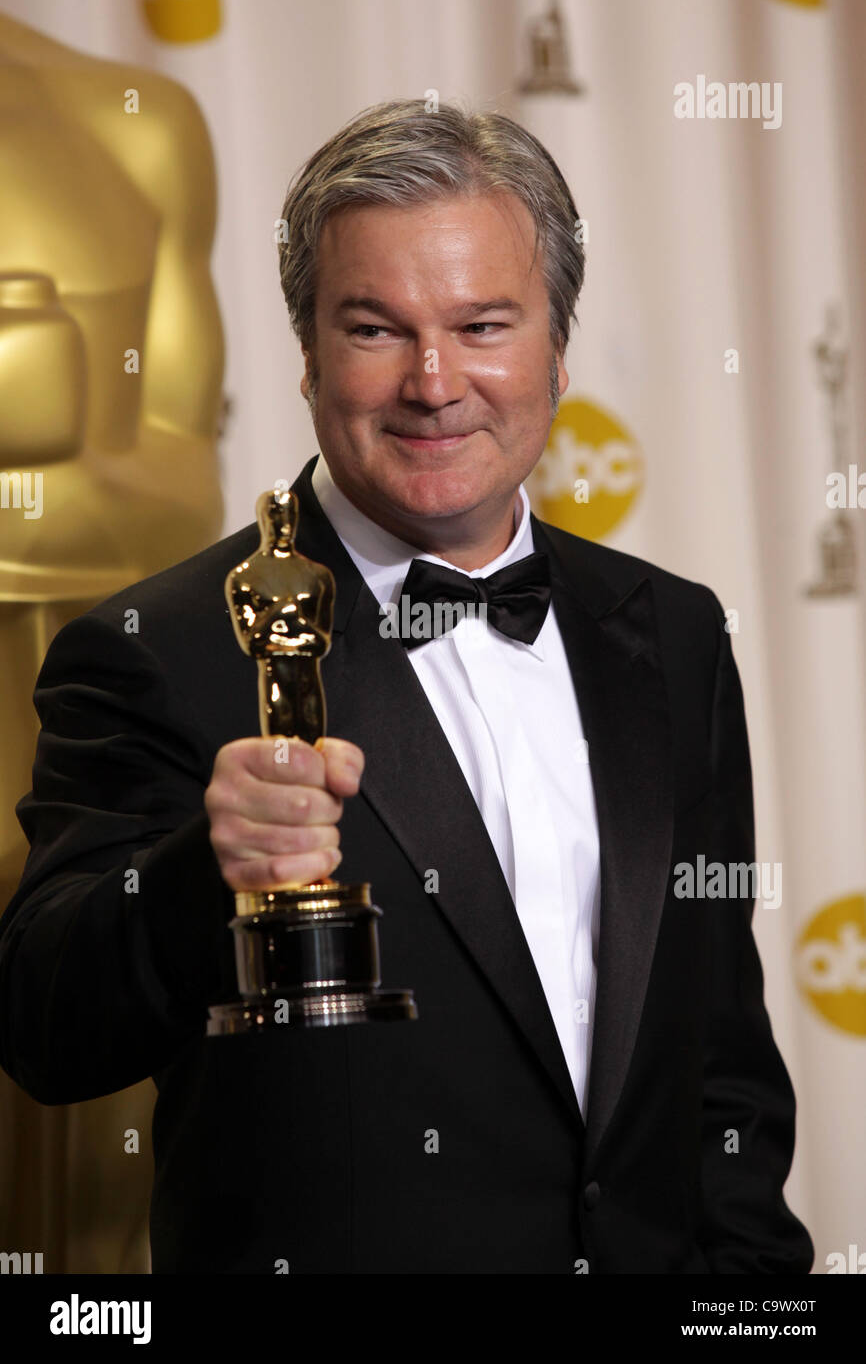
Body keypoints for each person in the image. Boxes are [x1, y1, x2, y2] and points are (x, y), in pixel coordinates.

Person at [0, 99, 813, 1275]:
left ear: (556, 346)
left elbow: (721, 1056)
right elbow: (40, 1025)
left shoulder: (673, 632)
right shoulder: (158, 644)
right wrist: (197, 876)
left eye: (483, 323)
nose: (434, 383)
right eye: (375, 329)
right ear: (307, 354)